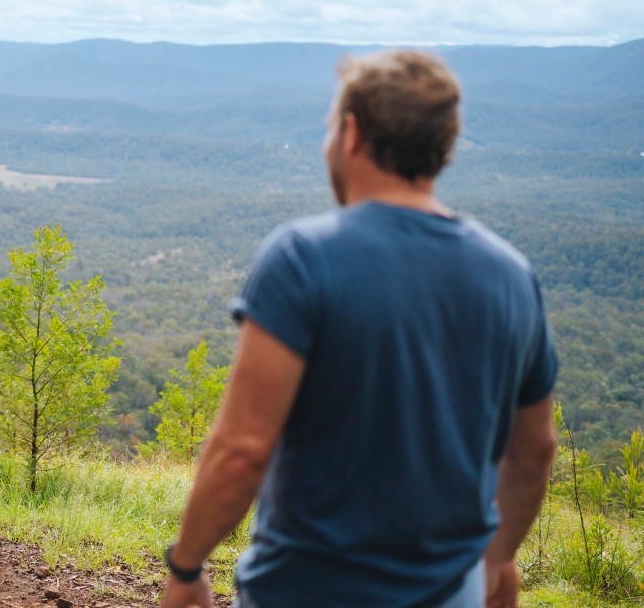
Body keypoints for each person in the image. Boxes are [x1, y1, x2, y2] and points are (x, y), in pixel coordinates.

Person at [161, 50, 558, 608]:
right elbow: (535, 448)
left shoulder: (302, 258)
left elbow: (241, 453)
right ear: (442, 146)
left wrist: (185, 567)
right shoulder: (511, 275)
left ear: (350, 134)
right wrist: (496, 560)